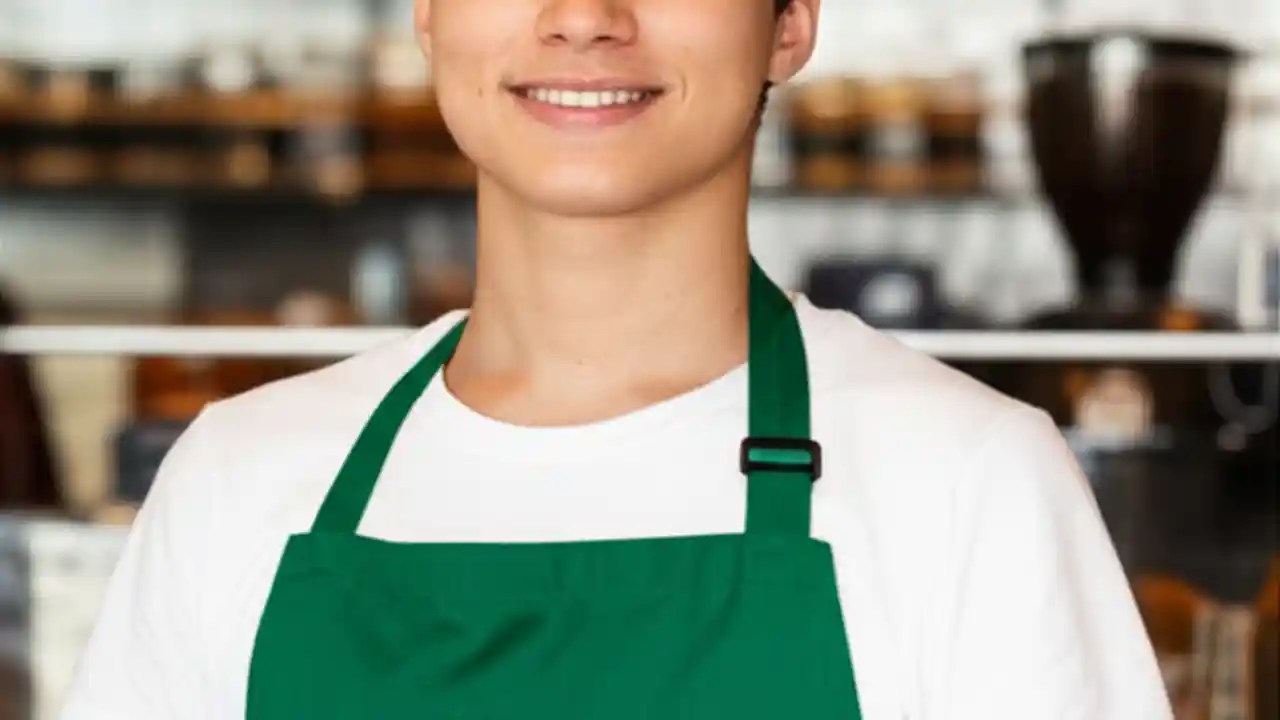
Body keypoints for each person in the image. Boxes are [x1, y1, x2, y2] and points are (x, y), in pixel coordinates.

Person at [62, 0, 1171, 718]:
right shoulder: (239, 480)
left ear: (789, 23)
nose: (585, 19)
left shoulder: (967, 483)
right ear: (428, 14)